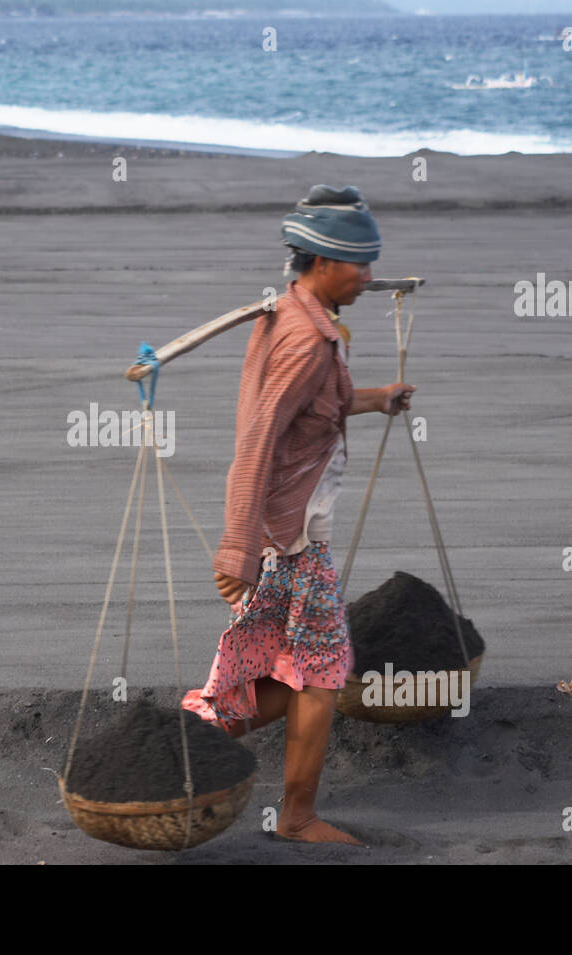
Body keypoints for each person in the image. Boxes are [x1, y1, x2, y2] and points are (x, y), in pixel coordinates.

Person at [181, 184, 415, 845]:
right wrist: (236, 551)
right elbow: (258, 437)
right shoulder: (305, 342)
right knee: (321, 672)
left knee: (299, 670)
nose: (368, 277)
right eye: (359, 265)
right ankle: (293, 811)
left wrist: (376, 399)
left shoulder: (301, 317)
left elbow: (319, 407)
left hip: (284, 535)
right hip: (287, 541)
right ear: (321, 263)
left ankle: (197, 733)